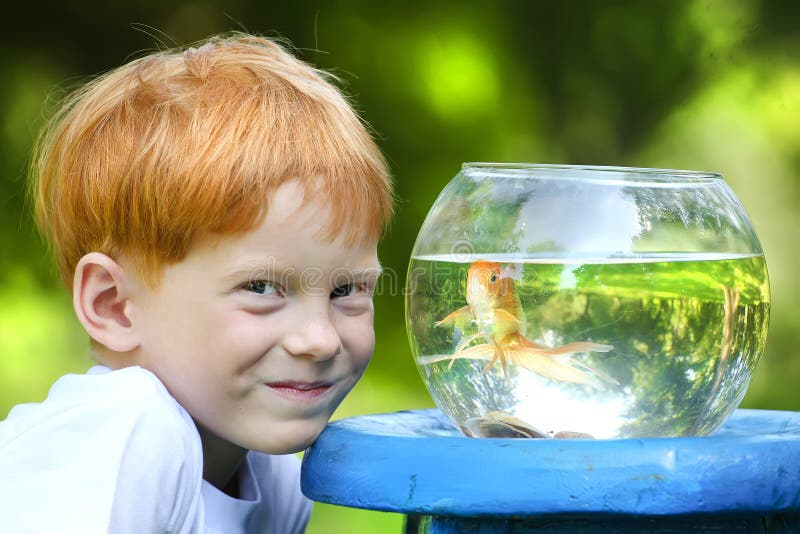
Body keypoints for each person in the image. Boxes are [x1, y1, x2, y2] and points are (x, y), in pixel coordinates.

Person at [0, 33, 393, 533]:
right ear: (115, 306)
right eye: (261, 287)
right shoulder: (129, 433)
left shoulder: (273, 479)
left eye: (345, 291)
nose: (320, 339)